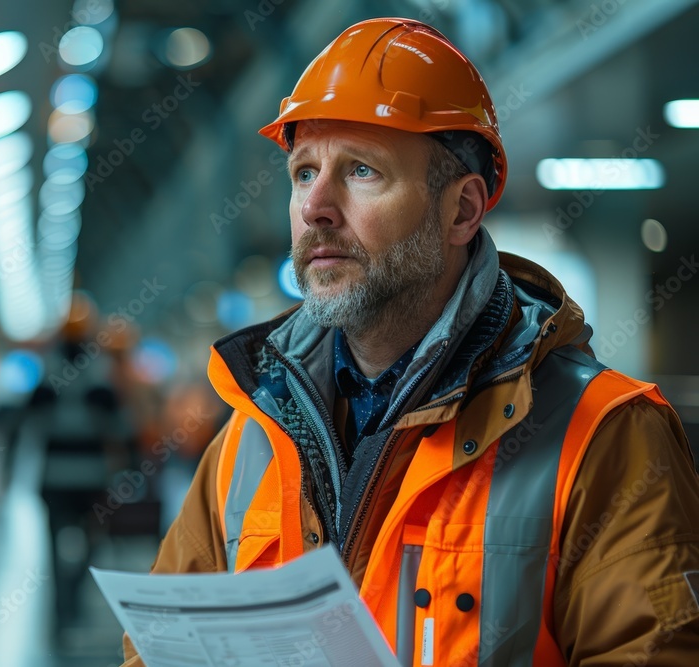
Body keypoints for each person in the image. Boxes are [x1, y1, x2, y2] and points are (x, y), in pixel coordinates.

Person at [121, 17, 699, 666]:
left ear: (462, 209)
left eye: (361, 170)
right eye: (303, 171)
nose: (316, 206)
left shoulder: (602, 436)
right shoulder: (249, 443)